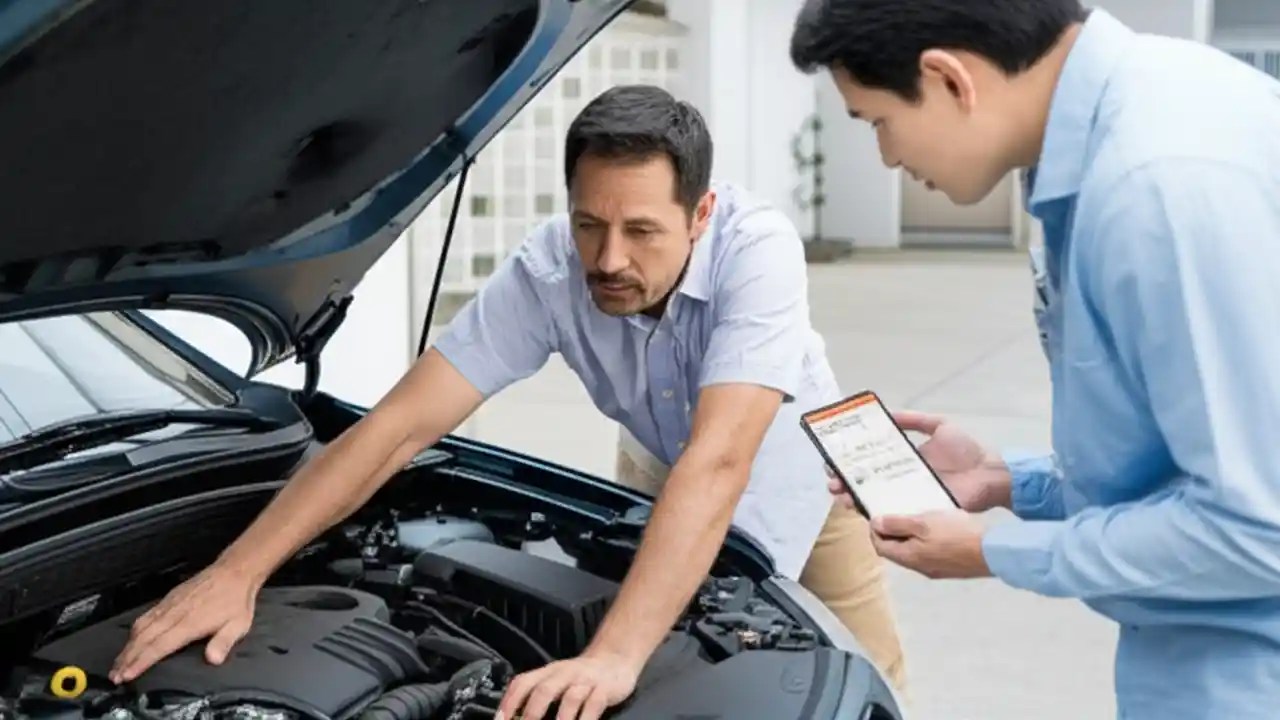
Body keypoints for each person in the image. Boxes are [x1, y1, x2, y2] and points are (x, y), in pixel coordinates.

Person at [107, 84, 908, 720]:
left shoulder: (758, 249)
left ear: (701, 214)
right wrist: (238, 574)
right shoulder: (549, 272)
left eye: (641, 230)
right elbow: (397, 428)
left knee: (855, 675)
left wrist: (614, 656)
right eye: (589, 223)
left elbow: (725, 455)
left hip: (797, 465)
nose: (609, 258)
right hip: (662, 462)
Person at [789, 0, 1280, 717]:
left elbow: (1255, 526)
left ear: (950, 80)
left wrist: (993, 551)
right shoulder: (1125, 127)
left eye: (877, 122)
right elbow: (1204, 452)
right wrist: (1006, 481)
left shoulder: (1156, 186)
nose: (889, 157)